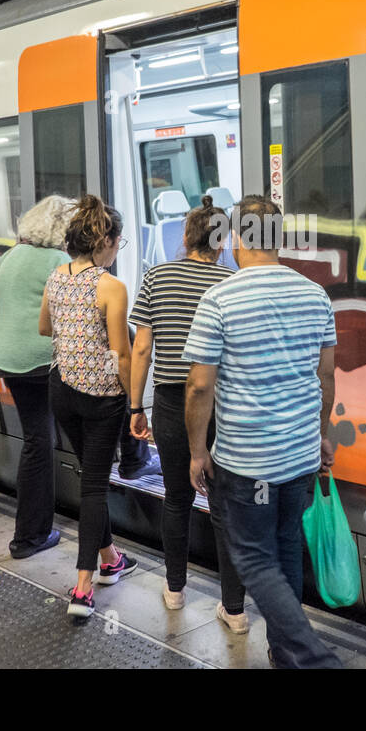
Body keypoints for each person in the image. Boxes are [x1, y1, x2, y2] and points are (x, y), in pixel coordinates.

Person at [183, 195, 342, 668]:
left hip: (247, 461)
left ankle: (313, 658)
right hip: (299, 457)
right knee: (287, 549)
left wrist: (197, 451)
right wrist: (322, 434)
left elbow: (198, 386)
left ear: (234, 239)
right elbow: (326, 377)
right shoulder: (315, 295)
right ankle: (285, 655)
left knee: (253, 559)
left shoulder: (220, 299)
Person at [129, 195, 247, 630]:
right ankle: (234, 610)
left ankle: (175, 590)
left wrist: (134, 405)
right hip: (218, 403)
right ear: (222, 243)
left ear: (185, 236)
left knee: (177, 496)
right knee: (225, 505)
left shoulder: (156, 277)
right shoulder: (229, 281)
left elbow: (141, 346)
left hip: (169, 401)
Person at [40, 195, 139, 618]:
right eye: (120, 242)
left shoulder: (55, 276)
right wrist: (136, 406)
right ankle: (84, 586)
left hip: (61, 390)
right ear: (107, 242)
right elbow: (121, 354)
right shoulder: (111, 287)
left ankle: (111, 558)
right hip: (102, 399)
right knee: (95, 485)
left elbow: (45, 327)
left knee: (90, 477)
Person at [0, 195, 72, 559]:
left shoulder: (11, 256)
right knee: (43, 444)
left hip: (10, 361)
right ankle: (29, 537)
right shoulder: (57, 260)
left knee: (35, 441)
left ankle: (30, 534)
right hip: (42, 363)